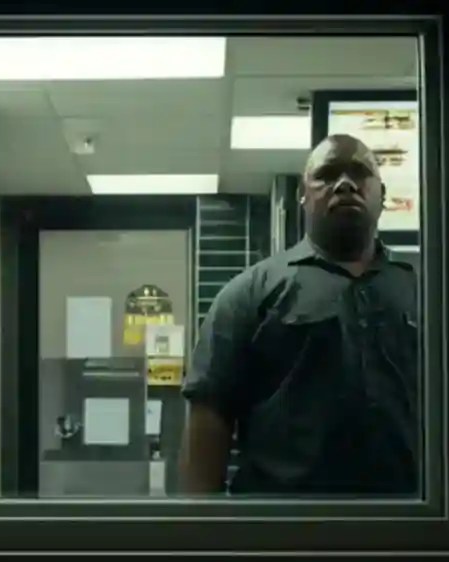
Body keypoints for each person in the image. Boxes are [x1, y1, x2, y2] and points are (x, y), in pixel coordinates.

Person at [179, 134, 419, 496]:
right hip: (282, 528)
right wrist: (201, 535)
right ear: (303, 196)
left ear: (382, 195)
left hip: (412, 524)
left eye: (359, 173)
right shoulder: (250, 293)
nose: (345, 184)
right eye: (327, 174)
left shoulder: (424, 290)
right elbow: (209, 415)